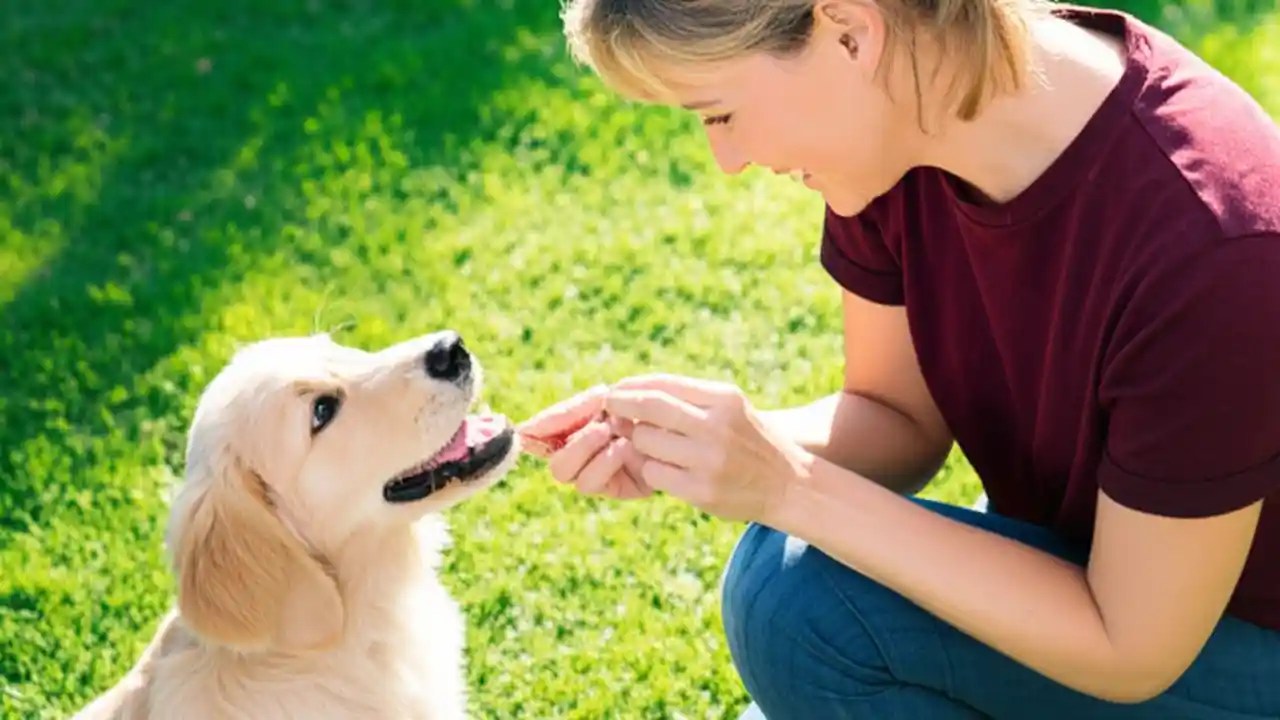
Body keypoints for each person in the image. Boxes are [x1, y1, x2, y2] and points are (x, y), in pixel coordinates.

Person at [516, 0, 1280, 717]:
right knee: (799, 591)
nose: (728, 159)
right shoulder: (900, 121)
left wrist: (789, 488)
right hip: (1079, 576)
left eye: (719, 113)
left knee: (800, 604)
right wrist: (694, 445)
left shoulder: (1213, 247)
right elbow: (898, 420)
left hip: (1215, 639)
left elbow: (1132, 648)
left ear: (850, 33)